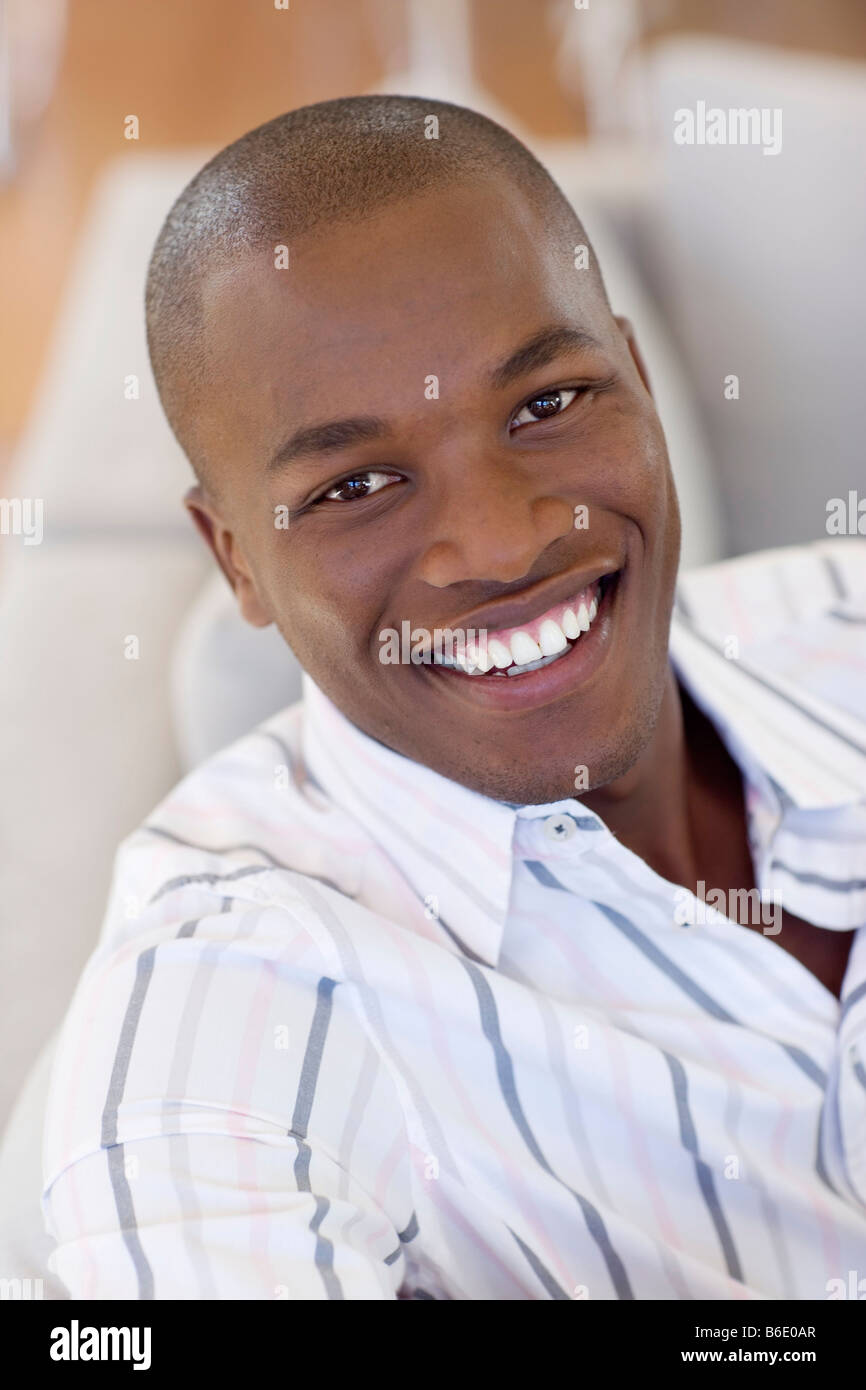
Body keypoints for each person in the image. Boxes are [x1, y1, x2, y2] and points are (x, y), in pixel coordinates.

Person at [42, 95, 866, 1300]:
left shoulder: (838, 616)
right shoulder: (230, 1008)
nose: (496, 540)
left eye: (547, 405)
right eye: (356, 484)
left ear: (636, 382)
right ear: (235, 562)